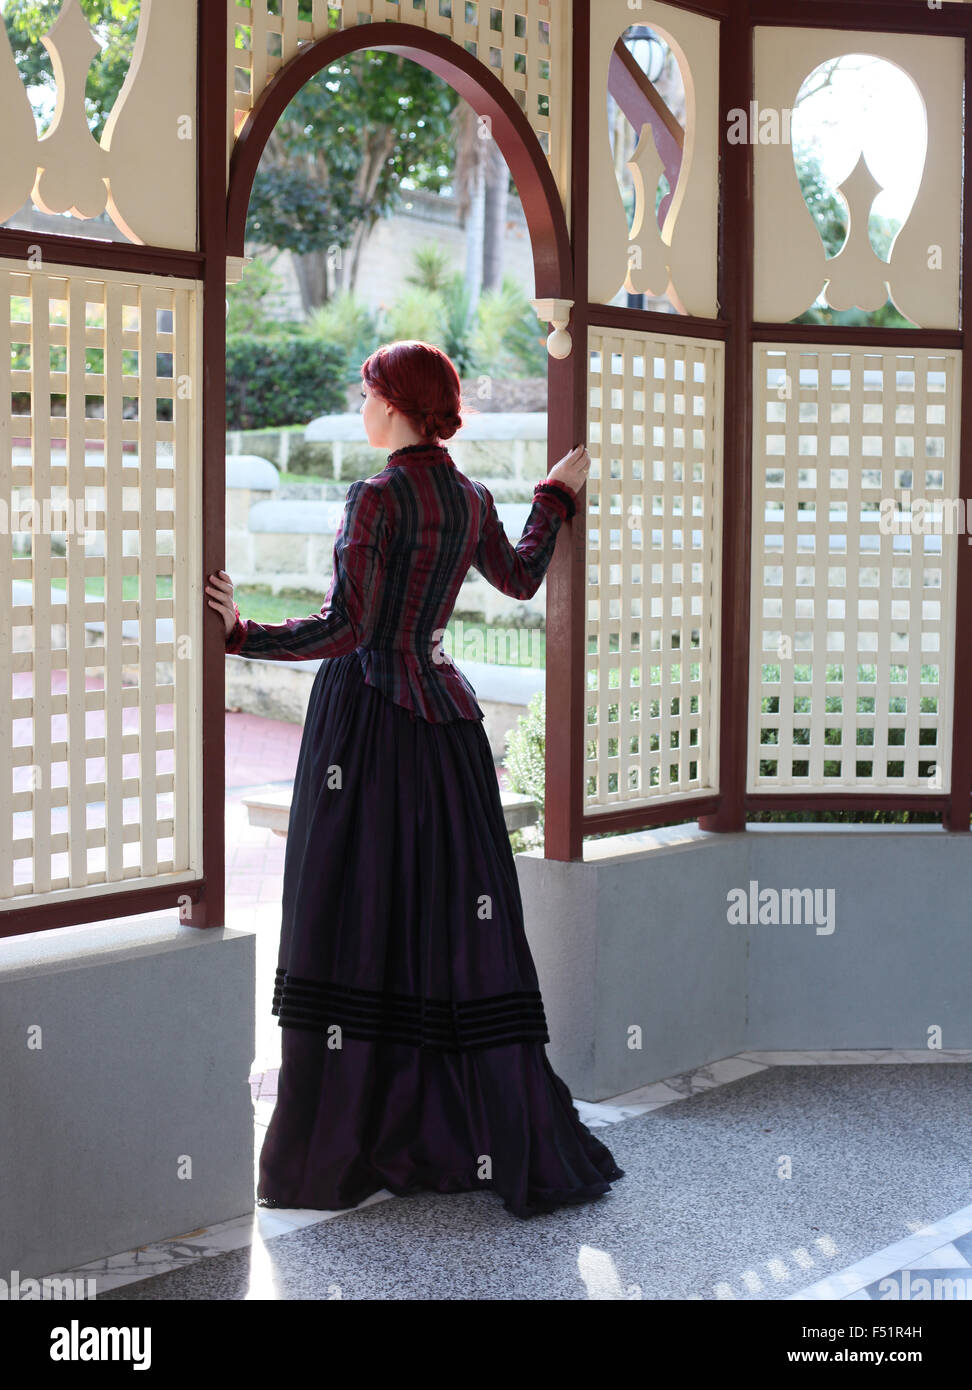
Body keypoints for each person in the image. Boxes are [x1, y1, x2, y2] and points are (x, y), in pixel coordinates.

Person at [205, 339, 624, 1219]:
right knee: (448, 920)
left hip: (364, 728)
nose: (361, 408)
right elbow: (518, 579)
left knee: (351, 910)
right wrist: (552, 497)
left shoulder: (378, 496)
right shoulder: (469, 496)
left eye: (367, 393)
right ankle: (460, 1123)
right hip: (446, 732)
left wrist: (242, 635)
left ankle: (346, 1135)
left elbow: (346, 630)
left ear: (393, 404)